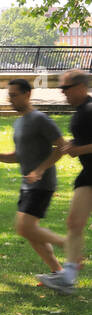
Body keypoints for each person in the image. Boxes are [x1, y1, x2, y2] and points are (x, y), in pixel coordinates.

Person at [0, 78, 65, 278]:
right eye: (9, 96)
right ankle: (58, 272)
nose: (11, 100)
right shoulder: (20, 122)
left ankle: (68, 244)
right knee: (30, 233)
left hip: (42, 183)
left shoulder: (40, 119)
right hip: (28, 184)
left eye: (14, 96)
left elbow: (61, 147)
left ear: (27, 94)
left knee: (25, 228)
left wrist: (40, 170)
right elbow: (19, 156)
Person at [37, 69, 92, 294]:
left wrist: (79, 149)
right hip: (89, 174)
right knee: (74, 223)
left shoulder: (89, 110)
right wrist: (71, 146)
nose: (63, 93)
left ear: (80, 88)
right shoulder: (82, 112)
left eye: (65, 89)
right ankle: (68, 277)